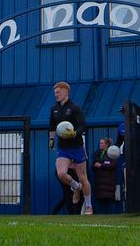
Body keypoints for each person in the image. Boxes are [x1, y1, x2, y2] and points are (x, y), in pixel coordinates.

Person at [49, 81, 93, 215]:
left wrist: (75, 133)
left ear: (66, 92)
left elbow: (83, 125)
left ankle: (88, 206)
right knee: (61, 174)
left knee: (83, 177)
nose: (56, 95)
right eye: (55, 93)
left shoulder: (75, 107)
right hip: (63, 148)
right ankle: (76, 186)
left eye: (58, 92)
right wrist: (51, 139)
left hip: (77, 146)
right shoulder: (54, 109)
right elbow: (51, 127)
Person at [91, 137, 118, 214]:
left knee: (109, 200)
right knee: (100, 201)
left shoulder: (112, 153)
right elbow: (93, 166)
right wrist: (95, 165)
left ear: (107, 144)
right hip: (99, 181)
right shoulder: (97, 153)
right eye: (100, 143)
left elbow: (113, 165)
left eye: (102, 143)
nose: (100, 145)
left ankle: (112, 215)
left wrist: (101, 165)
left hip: (109, 181)